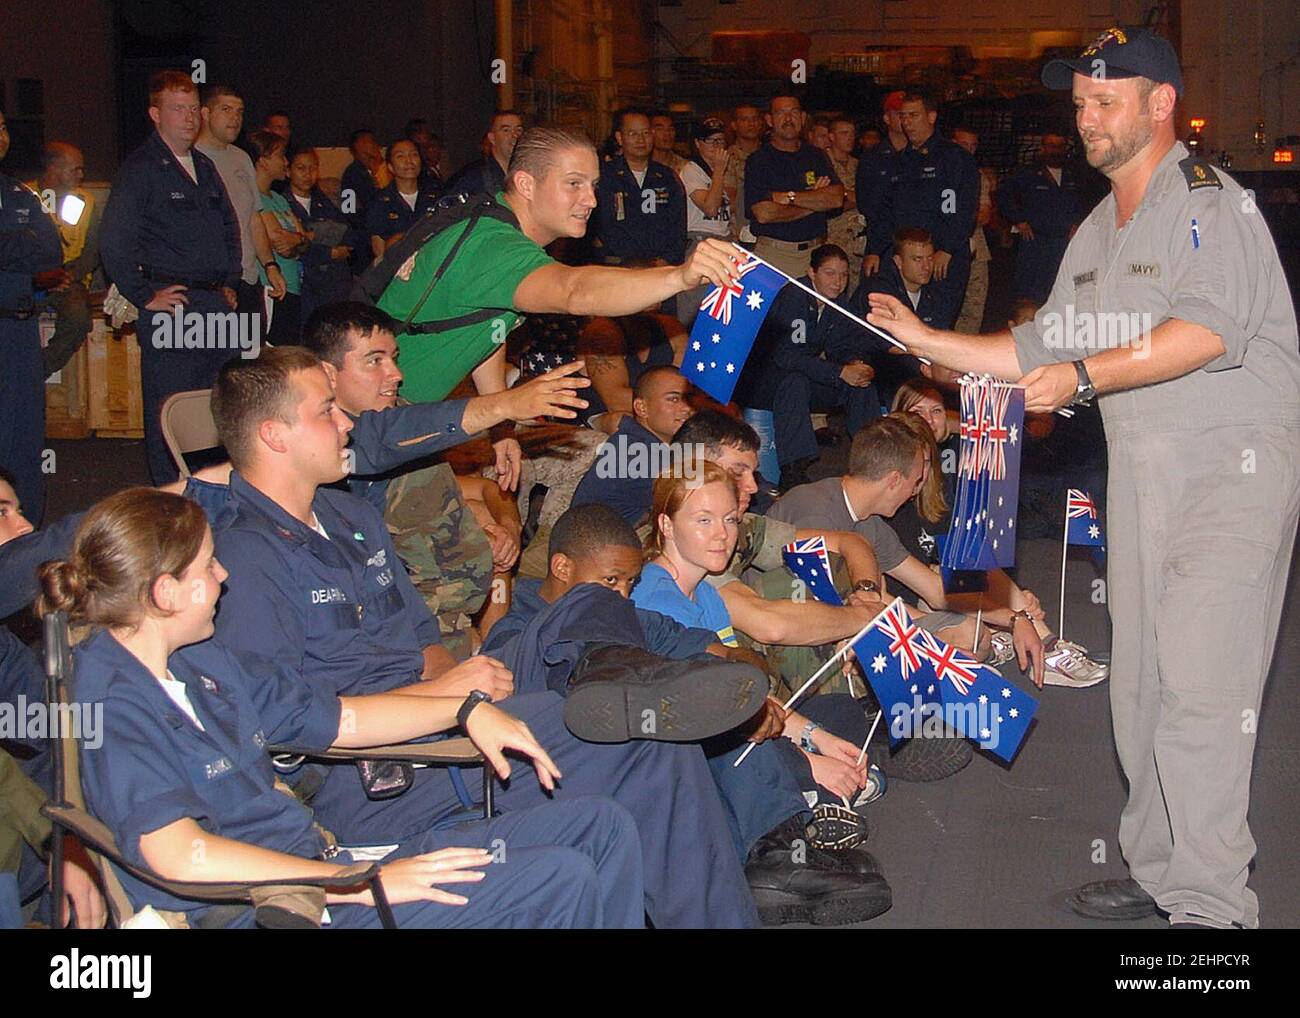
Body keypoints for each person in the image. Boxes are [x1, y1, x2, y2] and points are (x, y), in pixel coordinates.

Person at [864, 26, 1300, 929]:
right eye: (1079, 102)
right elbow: (1035, 348)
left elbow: (1206, 332)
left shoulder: (1211, 205)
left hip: (1230, 470)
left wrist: (1085, 378)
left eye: (1106, 100)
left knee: (1201, 687)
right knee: (1138, 683)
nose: (1086, 116)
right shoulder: (1098, 229)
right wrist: (928, 341)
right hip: (1140, 474)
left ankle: (1212, 912)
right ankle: (1158, 868)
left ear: (1161, 104)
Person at [206, 346, 762, 927]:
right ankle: (617, 673)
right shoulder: (245, 553)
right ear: (275, 436)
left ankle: (616, 668)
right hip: (382, 774)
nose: (347, 422)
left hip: (459, 702)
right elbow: (284, 723)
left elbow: (425, 643)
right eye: (326, 411)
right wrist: (452, 702)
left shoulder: (353, 520)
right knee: (647, 750)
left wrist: (459, 682)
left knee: (592, 602)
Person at [37, 486, 646, 929]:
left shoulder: (204, 662)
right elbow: (173, 854)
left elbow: (343, 719)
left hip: (326, 866)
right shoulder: (113, 699)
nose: (224, 576)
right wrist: (352, 884)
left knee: (600, 826)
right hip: (273, 905)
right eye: (208, 565)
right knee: (558, 879)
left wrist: (462, 709)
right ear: (165, 593)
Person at [481, 502, 894, 926]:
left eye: (629, 582)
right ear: (562, 567)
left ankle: (775, 851)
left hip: (658, 760)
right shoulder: (516, 631)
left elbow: (728, 654)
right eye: (609, 580)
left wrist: (747, 684)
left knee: (731, 705)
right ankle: (772, 853)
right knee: (676, 710)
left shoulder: (636, 618)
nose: (621, 594)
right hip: (564, 767)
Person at [374, 126, 746, 495]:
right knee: (456, 550)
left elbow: (487, 326)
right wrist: (680, 276)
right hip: (381, 416)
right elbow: (574, 291)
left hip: (405, 413)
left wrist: (502, 427)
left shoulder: (495, 227)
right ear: (526, 184)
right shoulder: (495, 247)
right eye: (573, 184)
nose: (591, 200)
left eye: (593, 184)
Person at [886, 389, 1107, 687]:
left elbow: (959, 560)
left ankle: (1046, 642)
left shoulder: (933, 488)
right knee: (962, 602)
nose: (928, 419)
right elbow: (932, 582)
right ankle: (1009, 635)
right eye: (918, 412)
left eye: (937, 411)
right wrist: (1012, 614)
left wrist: (1013, 599)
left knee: (975, 562)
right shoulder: (892, 497)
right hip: (908, 600)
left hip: (935, 591)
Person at [98, 70, 243, 485]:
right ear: (155, 114)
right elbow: (114, 241)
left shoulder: (204, 166)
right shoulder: (141, 169)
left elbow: (230, 227)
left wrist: (229, 281)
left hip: (214, 304)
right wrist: (144, 295)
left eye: (193, 108)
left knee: (217, 405)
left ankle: (214, 493)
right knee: (172, 408)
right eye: (177, 109)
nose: (189, 117)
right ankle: (171, 499)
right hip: (173, 307)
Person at [735, 243, 879, 488]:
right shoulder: (794, 296)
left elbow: (841, 346)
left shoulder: (836, 304)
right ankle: (793, 467)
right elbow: (786, 357)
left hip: (800, 380)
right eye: (829, 273)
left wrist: (856, 364)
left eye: (844, 275)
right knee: (795, 381)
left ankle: (875, 455)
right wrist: (840, 371)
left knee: (862, 386)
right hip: (766, 383)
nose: (838, 281)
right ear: (812, 273)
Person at [1, 112, 64, 526]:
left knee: (24, 442)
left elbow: (50, 254)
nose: (0, 137)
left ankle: (26, 535)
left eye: (3, 128)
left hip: (19, 331)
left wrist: (13, 245)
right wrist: (20, 243)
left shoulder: (20, 194)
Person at [196, 85, 288, 319]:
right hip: (210, 284)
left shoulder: (242, 158)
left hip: (248, 279)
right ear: (205, 113)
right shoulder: (190, 158)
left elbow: (253, 217)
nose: (235, 118)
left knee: (252, 354)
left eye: (240, 111)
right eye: (226, 109)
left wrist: (269, 265)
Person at [570, 365, 694, 525]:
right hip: (596, 545)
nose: (687, 408)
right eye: (673, 399)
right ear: (641, 408)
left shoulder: (642, 442)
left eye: (689, 399)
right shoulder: (636, 451)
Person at [743, 93, 842, 277]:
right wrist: (815, 203)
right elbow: (764, 213)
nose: (789, 119)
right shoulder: (758, 161)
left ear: (803, 118)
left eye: (794, 112)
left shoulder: (816, 156)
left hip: (815, 254)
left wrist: (789, 198)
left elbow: (836, 198)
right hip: (775, 255)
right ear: (769, 120)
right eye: (781, 113)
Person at [29, 142, 100, 377]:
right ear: (53, 169)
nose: (81, 175)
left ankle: (36, 371)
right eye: (75, 169)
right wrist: (38, 277)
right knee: (12, 314)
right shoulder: (24, 196)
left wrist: (70, 275)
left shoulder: (85, 201)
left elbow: (93, 250)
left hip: (70, 278)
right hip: (31, 277)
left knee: (78, 319)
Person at [995, 133, 1087, 302]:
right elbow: (1003, 195)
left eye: (1060, 146)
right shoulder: (1027, 174)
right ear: (1043, 148)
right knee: (1030, 295)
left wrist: (1078, 223)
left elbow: (1084, 201)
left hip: (1064, 243)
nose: (1055, 150)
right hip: (1035, 243)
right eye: (1051, 145)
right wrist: (1019, 220)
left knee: (1062, 292)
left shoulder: (1074, 175)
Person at [590, 109, 687, 267]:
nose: (640, 140)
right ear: (620, 138)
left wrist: (664, 262)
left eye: (646, 133)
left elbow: (678, 229)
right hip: (615, 266)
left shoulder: (667, 177)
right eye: (632, 134)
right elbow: (601, 226)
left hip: (659, 268)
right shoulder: (604, 175)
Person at [247, 129, 309, 344]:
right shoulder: (252, 197)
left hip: (292, 287)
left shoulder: (278, 200)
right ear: (263, 160)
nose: (285, 162)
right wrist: (297, 238)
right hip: (271, 289)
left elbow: (303, 240)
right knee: (271, 357)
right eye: (280, 155)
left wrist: (298, 239)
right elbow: (278, 242)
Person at [285, 145, 359, 324]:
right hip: (304, 286)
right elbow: (293, 245)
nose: (307, 173)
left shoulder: (326, 201)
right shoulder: (282, 203)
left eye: (312, 168)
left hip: (334, 285)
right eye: (301, 168)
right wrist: (328, 251)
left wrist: (312, 236)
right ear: (288, 171)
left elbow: (349, 236)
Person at [679, 117, 733, 325]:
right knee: (697, 310)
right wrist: (719, 170)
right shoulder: (692, 170)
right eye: (711, 141)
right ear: (698, 144)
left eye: (721, 141)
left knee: (720, 311)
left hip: (724, 240)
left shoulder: (723, 171)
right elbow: (710, 208)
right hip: (700, 241)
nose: (717, 147)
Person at [856, 91, 909, 281]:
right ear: (887, 118)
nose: (905, 119)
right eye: (899, 113)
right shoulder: (873, 158)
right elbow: (868, 206)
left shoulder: (921, 156)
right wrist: (875, 249)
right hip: (882, 244)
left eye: (910, 113)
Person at [950, 127, 994, 334]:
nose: (969, 150)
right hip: (943, 249)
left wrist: (956, 216)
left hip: (975, 249)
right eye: (963, 145)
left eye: (973, 145)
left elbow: (984, 215)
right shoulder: (940, 171)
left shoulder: (977, 177)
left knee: (973, 309)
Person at [365, 138, 440, 260]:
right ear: (390, 167)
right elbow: (379, 250)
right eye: (400, 156)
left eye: (414, 154)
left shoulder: (436, 196)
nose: (409, 161)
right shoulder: (379, 202)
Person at [441, 110, 524, 201]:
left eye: (518, 130)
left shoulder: (526, 175)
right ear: (492, 138)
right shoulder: (474, 179)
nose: (514, 135)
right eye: (506, 130)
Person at [825, 117, 864, 291]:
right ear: (831, 137)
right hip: (832, 239)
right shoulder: (822, 163)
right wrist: (849, 197)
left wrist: (849, 196)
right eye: (844, 133)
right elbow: (828, 201)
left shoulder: (860, 165)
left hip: (857, 244)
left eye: (852, 134)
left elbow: (868, 198)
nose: (850, 138)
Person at [723, 103, 765, 245]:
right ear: (734, 125)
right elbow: (730, 199)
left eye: (754, 119)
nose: (750, 124)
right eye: (744, 119)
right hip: (739, 232)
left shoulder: (770, 155)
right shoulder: (728, 157)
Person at [405, 118, 447, 194]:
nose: (429, 135)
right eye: (426, 132)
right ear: (416, 136)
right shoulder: (416, 168)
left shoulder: (431, 168)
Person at [649, 111, 689, 177]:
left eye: (671, 129)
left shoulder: (684, 166)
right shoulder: (639, 164)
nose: (667, 134)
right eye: (660, 129)